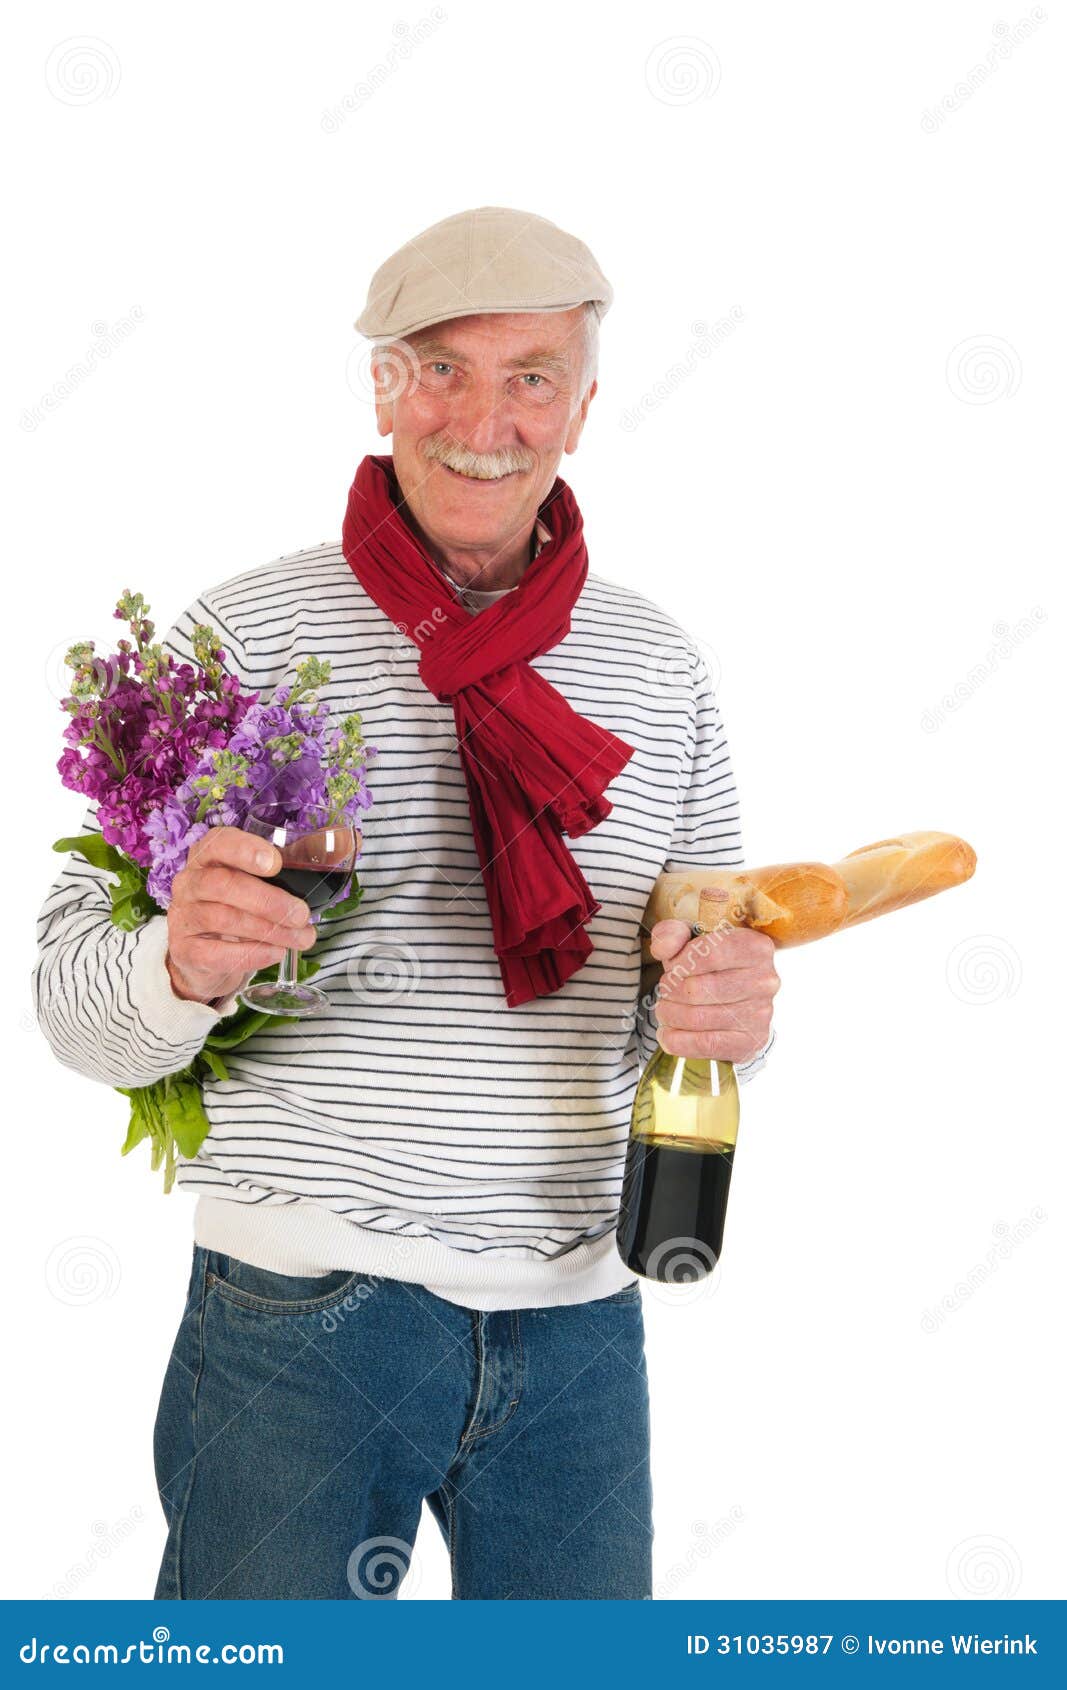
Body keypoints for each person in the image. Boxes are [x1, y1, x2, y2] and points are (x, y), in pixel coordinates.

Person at [32, 205, 780, 1601]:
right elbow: (77, 1011)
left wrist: (732, 1010)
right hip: (298, 1328)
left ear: (587, 404)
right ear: (379, 385)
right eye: (441, 368)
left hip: (580, 1335)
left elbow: (703, 990)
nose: (483, 418)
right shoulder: (242, 641)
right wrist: (177, 968)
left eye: (531, 376)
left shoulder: (659, 666)